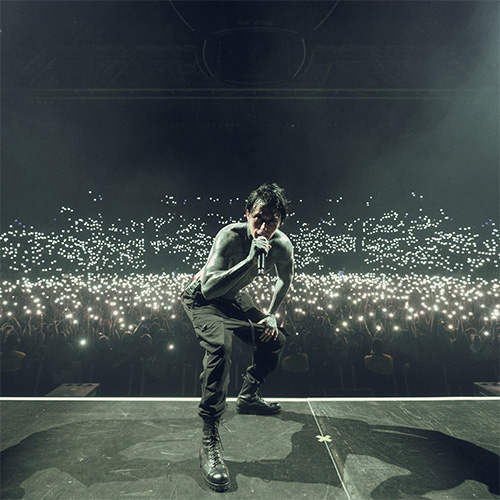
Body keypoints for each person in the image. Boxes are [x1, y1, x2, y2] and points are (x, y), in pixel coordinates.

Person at [181, 182, 294, 492]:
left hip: (232, 298)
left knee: (275, 338)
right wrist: (249, 261)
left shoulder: (282, 246)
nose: (264, 227)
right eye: (259, 218)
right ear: (247, 214)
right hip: (203, 299)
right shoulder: (229, 237)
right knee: (220, 347)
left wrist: (271, 312)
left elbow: (284, 278)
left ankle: (248, 395)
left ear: (280, 222)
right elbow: (209, 288)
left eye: (272, 221)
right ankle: (209, 437)